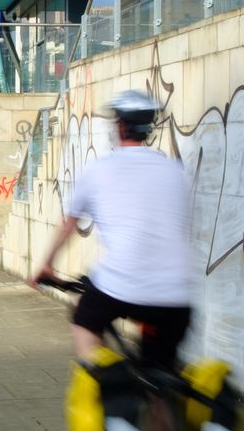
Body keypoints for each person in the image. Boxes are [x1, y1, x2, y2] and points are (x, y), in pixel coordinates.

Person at [29, 89, 195, 372]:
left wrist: (46, 264)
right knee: (160, 373)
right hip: (178, 293)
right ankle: (161, 402)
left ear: (119, 126)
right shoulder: (175, 171)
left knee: (85, 319)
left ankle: (108, 386)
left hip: (121, 285)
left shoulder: (99, 169)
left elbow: (69, 224)